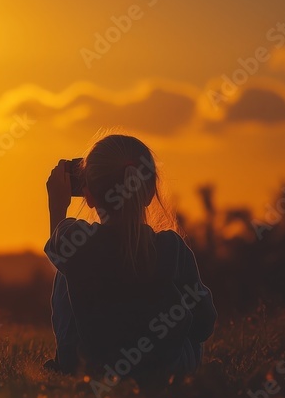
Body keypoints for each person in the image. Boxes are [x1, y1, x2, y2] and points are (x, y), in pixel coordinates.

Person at [43, 134, 216, 383]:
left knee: (65, 270)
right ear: (148, 193)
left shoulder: (79, 243)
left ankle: (68, 362)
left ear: (88, 195)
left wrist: (57, 206)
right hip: (169, 369)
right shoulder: (171, 247)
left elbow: (58, 247)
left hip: (93, 369)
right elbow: (204, 323)